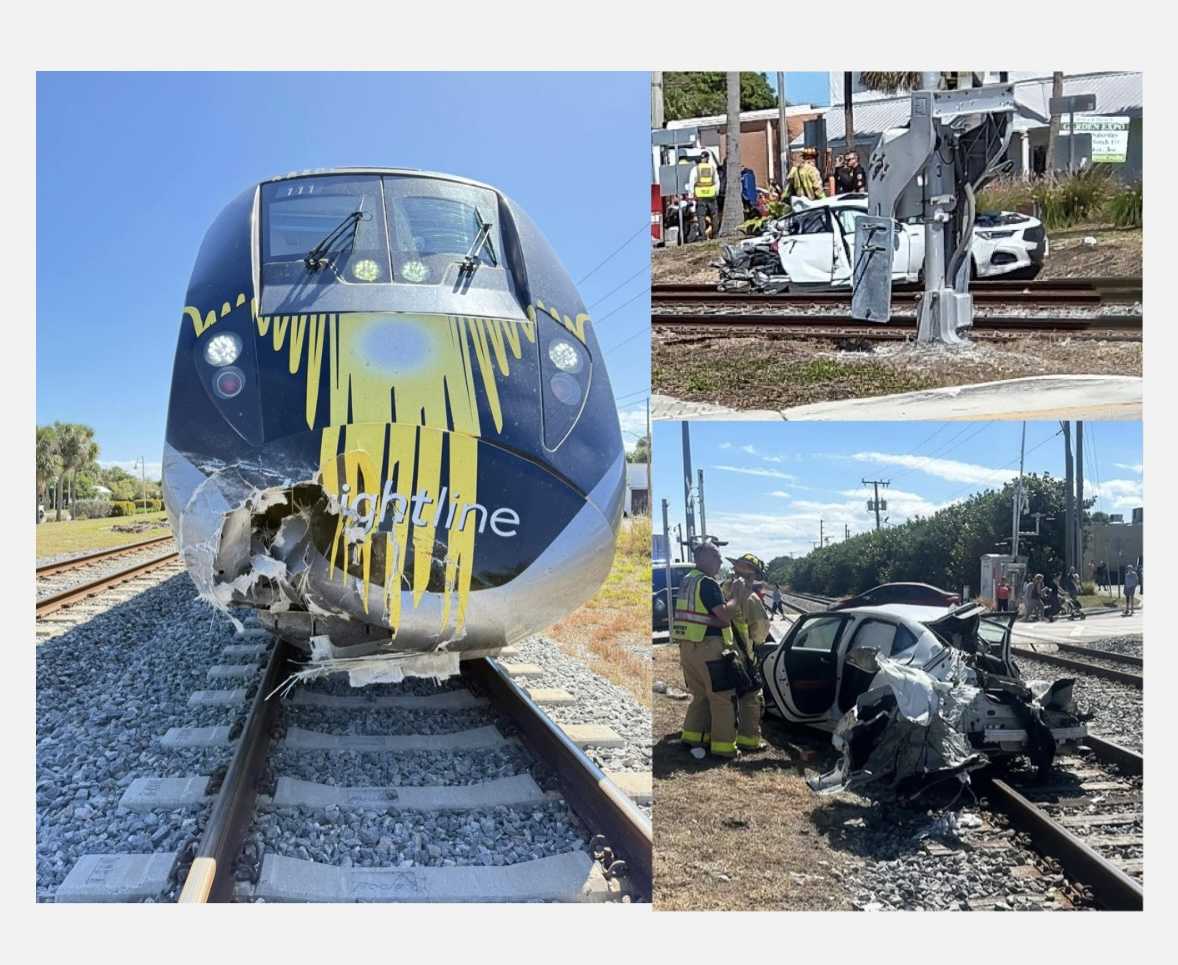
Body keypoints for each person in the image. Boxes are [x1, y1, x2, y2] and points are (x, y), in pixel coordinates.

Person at [671, 542, 738, 759]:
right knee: (721, 697)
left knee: (700, 695)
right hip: (708, 647)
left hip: (688, 647)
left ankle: (692, 737)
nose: (720, 562)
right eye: (717, 557)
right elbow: (725, 617)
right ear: (705, 558)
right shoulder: (707, 583)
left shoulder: (687, 580)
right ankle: (723, 747)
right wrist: (736, 596)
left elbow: (694, 615)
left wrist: (715, 621)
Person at [724, 553, 769, 753]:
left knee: (723, 697)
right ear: (751, 575)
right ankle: (749, 740)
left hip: (720, 651)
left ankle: (719, 735)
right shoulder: (750, 598)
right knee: (751, 696)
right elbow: (759, 632)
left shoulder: (721, 588)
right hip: (743, 655)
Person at [687, 152, 721, 241]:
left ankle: (702, 236)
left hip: (700, 196)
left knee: (701, 216)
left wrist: (691, 194)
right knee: (714, 215)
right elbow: (717, 182)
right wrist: (716, 192)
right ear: (708, 158)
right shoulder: (712, 169)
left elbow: (691, 182)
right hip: (711, 195)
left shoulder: (695, 169)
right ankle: (715, 234)